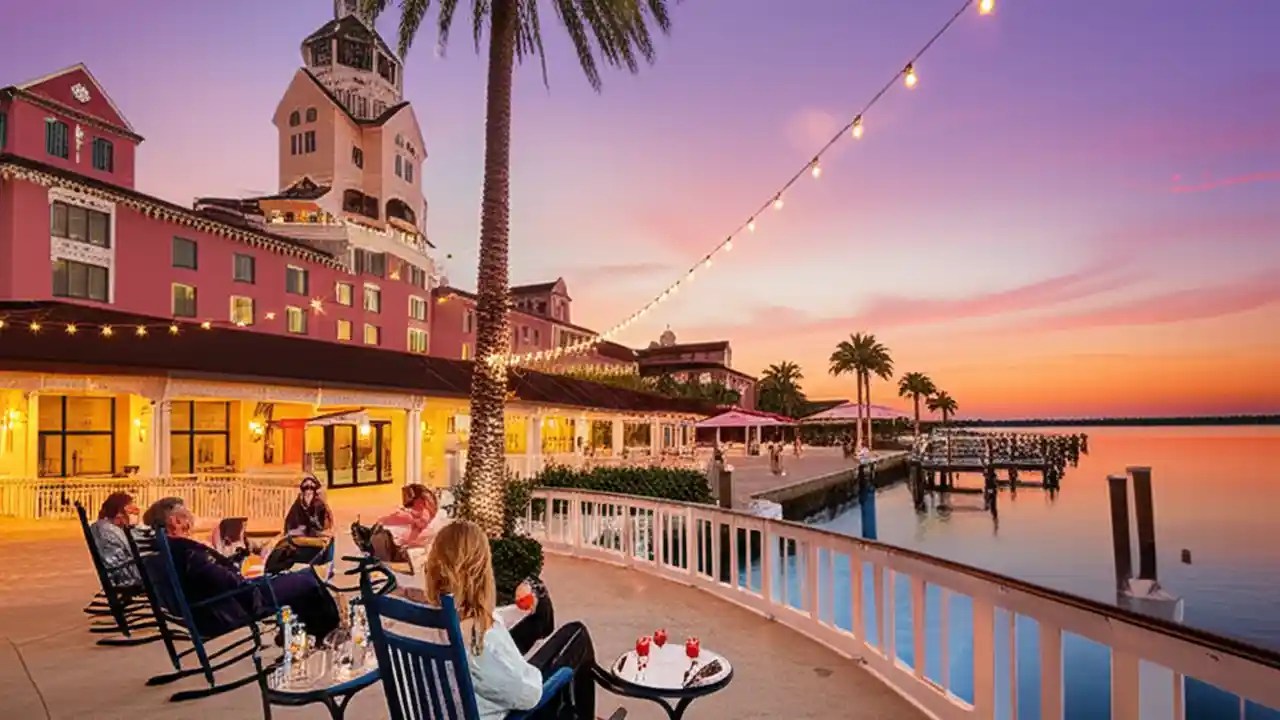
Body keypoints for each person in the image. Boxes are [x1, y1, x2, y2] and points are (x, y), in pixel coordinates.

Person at [424, 521, 597, 720]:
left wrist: (516, 614)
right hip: (504, 710)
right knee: (576, 636)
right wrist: (529, 669)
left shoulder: (428, 622)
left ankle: (540, 615)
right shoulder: (483, 640)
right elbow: (529, 695)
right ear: (481, 572)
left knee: (536, 626)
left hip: (460, 706)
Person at [163, 506, 339, 640]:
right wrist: (244, 578)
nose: (190, 529)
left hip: (222, 604)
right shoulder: (189, 553)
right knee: (308, 580)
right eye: (187, 523)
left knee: (298, 581)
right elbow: (228, 581)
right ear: (174, 522)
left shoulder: (169, 552)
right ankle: (330, 634)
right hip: (238, 604)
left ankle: (301, 633)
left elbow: (218, 578)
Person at [375, 484, 441, 561]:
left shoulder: (421, 506)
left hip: (401, 547)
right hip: (401, 544)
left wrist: (410, 516)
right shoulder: (421, 507)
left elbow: (422, 521)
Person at [90, 492, 141, 589]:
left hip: (118, 572)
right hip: (125, 575)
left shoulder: (101, 526)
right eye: (129, 512)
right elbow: (130, 551)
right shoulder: (110, 530)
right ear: (120, 512)